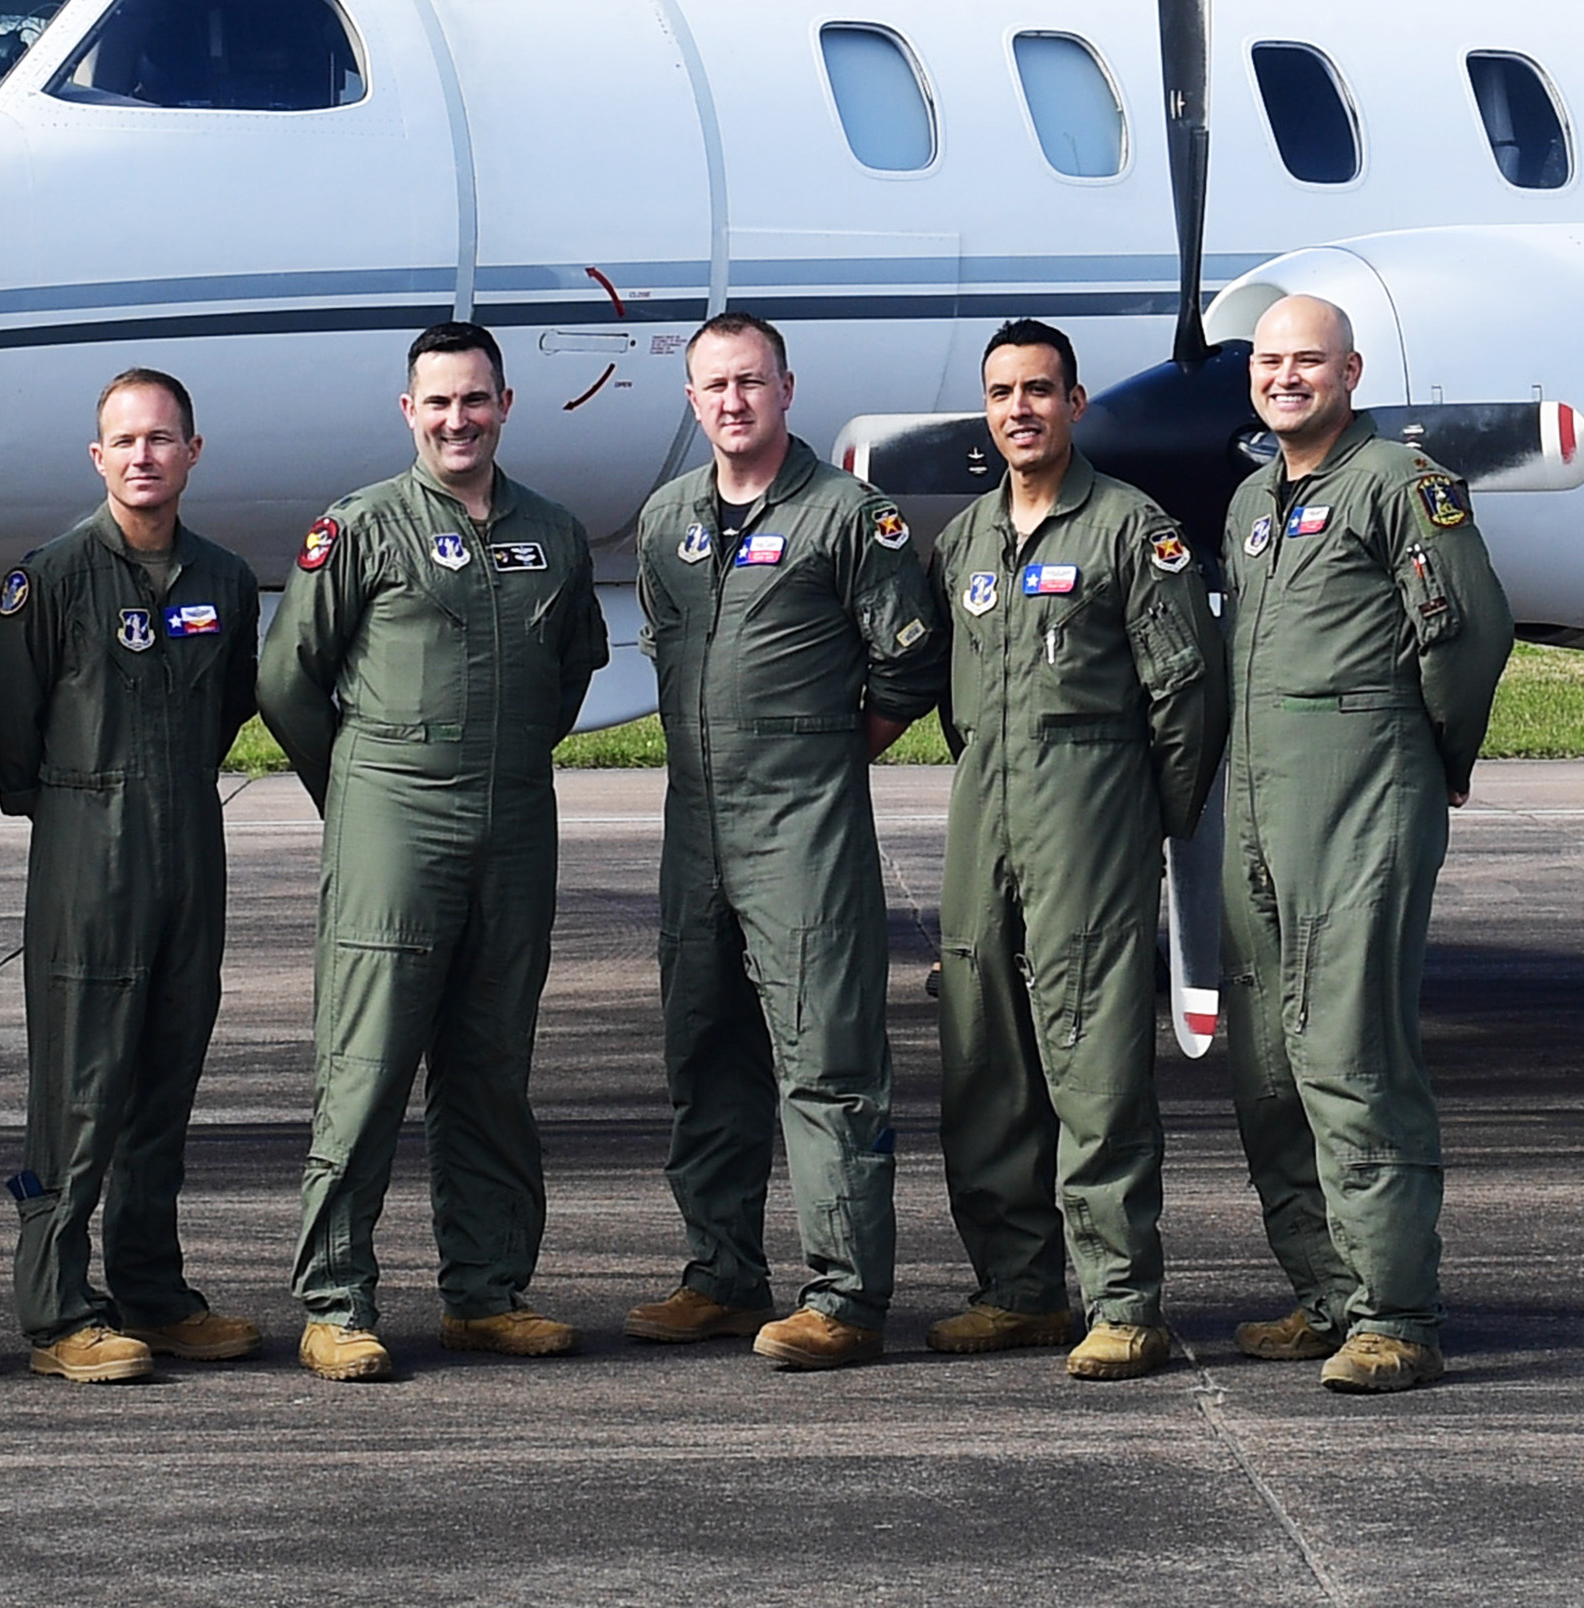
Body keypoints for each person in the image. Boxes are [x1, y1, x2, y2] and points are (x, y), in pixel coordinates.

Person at [257, 322, 609, 1381]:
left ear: (505, 405)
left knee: (493, 1065)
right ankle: (335, 1299)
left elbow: (572, 670)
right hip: (393, 815)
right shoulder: (358, 528)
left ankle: (488, 1290)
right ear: (408, 412)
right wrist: (358, 792)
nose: (458, 420)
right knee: (365, 1067)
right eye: (438, 403)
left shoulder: (552, 532)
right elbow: (287, 682)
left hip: (513, 819)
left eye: (476, 401)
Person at [622, 312, 946, 1371]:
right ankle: (720, 1274)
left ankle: (846, 1293)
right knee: (704, 1052)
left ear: (786, 389)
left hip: (801, 827)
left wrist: (816, 752)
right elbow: (670, 645)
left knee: (826, 1061)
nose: (732, 402)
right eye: (714, 385)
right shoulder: (667, 517)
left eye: (750, 382)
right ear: (691, 398)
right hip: (695, 829)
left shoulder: (850, 517)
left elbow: (905, 667)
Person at [1221, 293, 1512, 1394]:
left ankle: (1396, 1312)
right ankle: (1326, 1294)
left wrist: (1426, 760)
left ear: (1349, 373)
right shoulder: (1255, 497)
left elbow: (1469, 631)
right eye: (1269, 360)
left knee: (1350, 1054)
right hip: (1257, 805)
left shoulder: (1401, 485)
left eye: (1308, 361)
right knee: (1267, 1065)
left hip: (1360, 794)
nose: (1284, 376)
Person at [925, 318, 1227, 1380]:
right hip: (986, 816)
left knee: (1091, 1062)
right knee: (984, 1053)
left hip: (1090, 813)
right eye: (1003, 393)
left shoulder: (1130, 532)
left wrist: (1145, 820)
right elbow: (965, 708)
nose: (1021, 409)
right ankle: (1017, 1288)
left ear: (1075, 402)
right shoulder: (964, 542)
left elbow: (1187, 699)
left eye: (1040, 390)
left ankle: (1123, 1299)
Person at [0, 368, 263, 1383]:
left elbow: (228, 708)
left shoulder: (224, 582)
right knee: (80, 1088)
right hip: (86, 857)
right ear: (98, 458)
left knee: (164, 1081)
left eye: (162, 439)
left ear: (192, 453)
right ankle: (58, 1309)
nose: (144, 456)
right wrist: (81, 806)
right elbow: (5, 735)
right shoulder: (48, 578)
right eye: (125, 441)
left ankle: (153, 1290)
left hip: (188, 849)